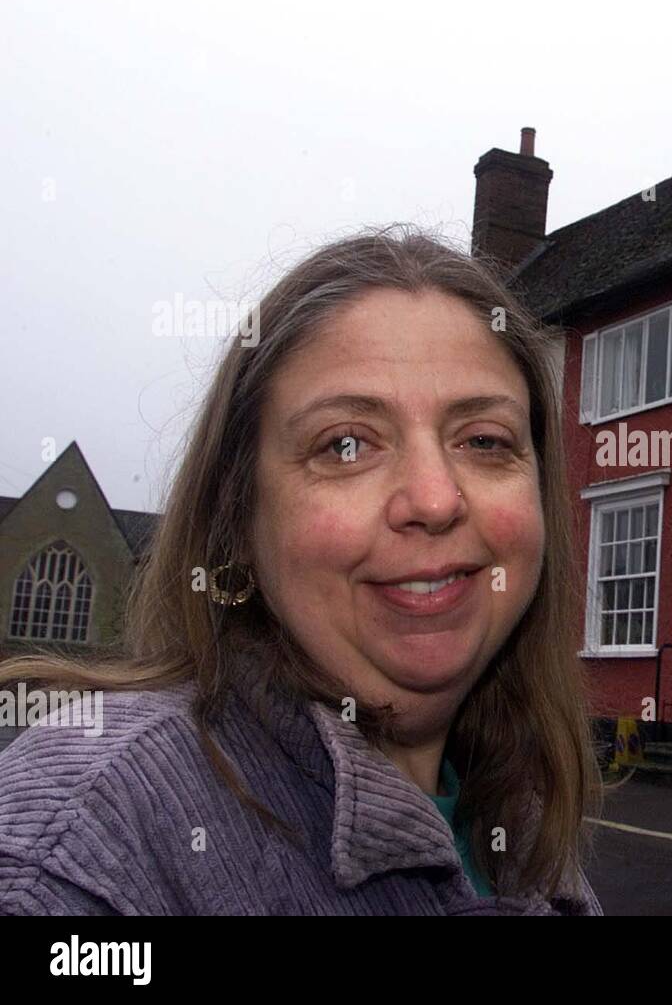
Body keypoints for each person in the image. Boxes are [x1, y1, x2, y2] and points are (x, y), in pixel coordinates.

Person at [0, 225, 605, 916]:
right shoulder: (90, 840)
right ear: (237, 519)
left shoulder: (526, 831)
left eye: (485, 440)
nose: (436, 498)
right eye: (346, 444)